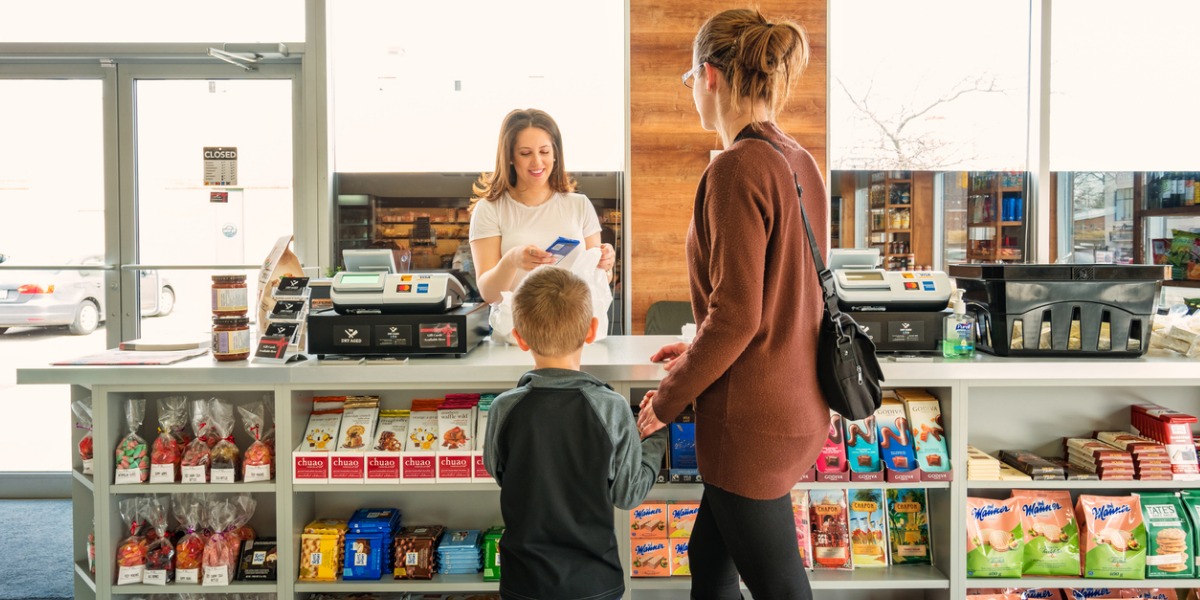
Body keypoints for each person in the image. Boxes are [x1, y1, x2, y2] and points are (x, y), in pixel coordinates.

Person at [634, 8, 828, 600]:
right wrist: (699, 346)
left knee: (778, 586)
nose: (692, 92)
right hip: (799, 403)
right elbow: (784, 298)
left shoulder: (735, 168)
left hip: (751, 422)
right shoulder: (799, 160)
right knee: (709, 560)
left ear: (709, 75)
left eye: (690, 80)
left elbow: (738, 317)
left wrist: (668, 398)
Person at [483, 266, 666, 600]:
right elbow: (628, 494)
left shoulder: (503, 408)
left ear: (520, 337)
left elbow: (498, 471)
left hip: (524, 581)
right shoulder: (611, 407)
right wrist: (656, 437)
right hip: (594, 582)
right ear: (592, 330)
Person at [469, 108, 615, 305]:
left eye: (544, 151)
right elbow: (489, 294)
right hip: (514, 323)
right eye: (525, 153)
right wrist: (511, 260)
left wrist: (605, 264)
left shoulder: (580, 205)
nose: (537, 162)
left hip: (574, 322)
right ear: (510, 157)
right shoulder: (489, 209)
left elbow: (600, 279)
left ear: (555, 154)